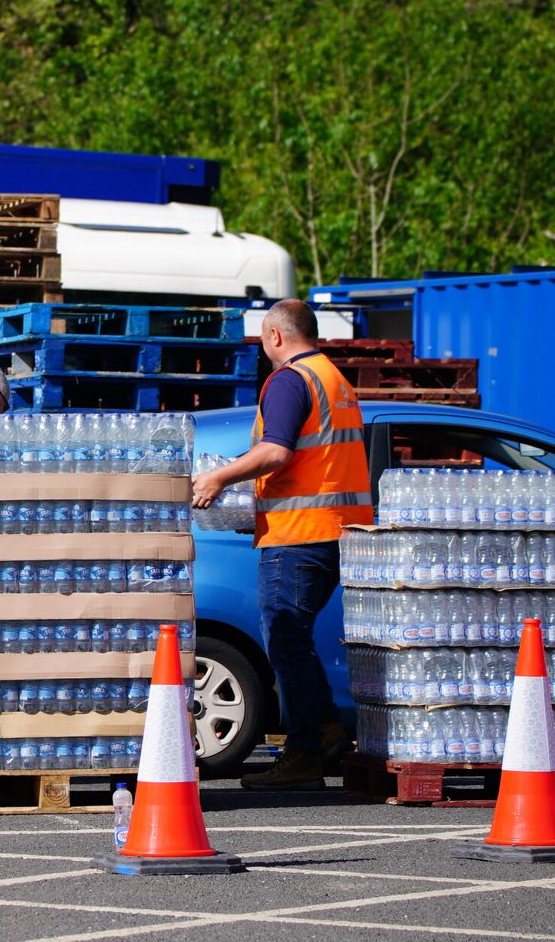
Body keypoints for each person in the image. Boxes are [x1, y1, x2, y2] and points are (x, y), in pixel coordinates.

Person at [191, 299, 372, 790]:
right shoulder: (333, 378)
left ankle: (303, 754)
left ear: (274, 336)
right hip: (334, 530)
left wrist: (218, 479)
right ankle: (328, 729)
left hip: (300, 535)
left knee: (286, 641)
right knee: (295, 640)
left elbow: (275, 450)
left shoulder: (290, 380)